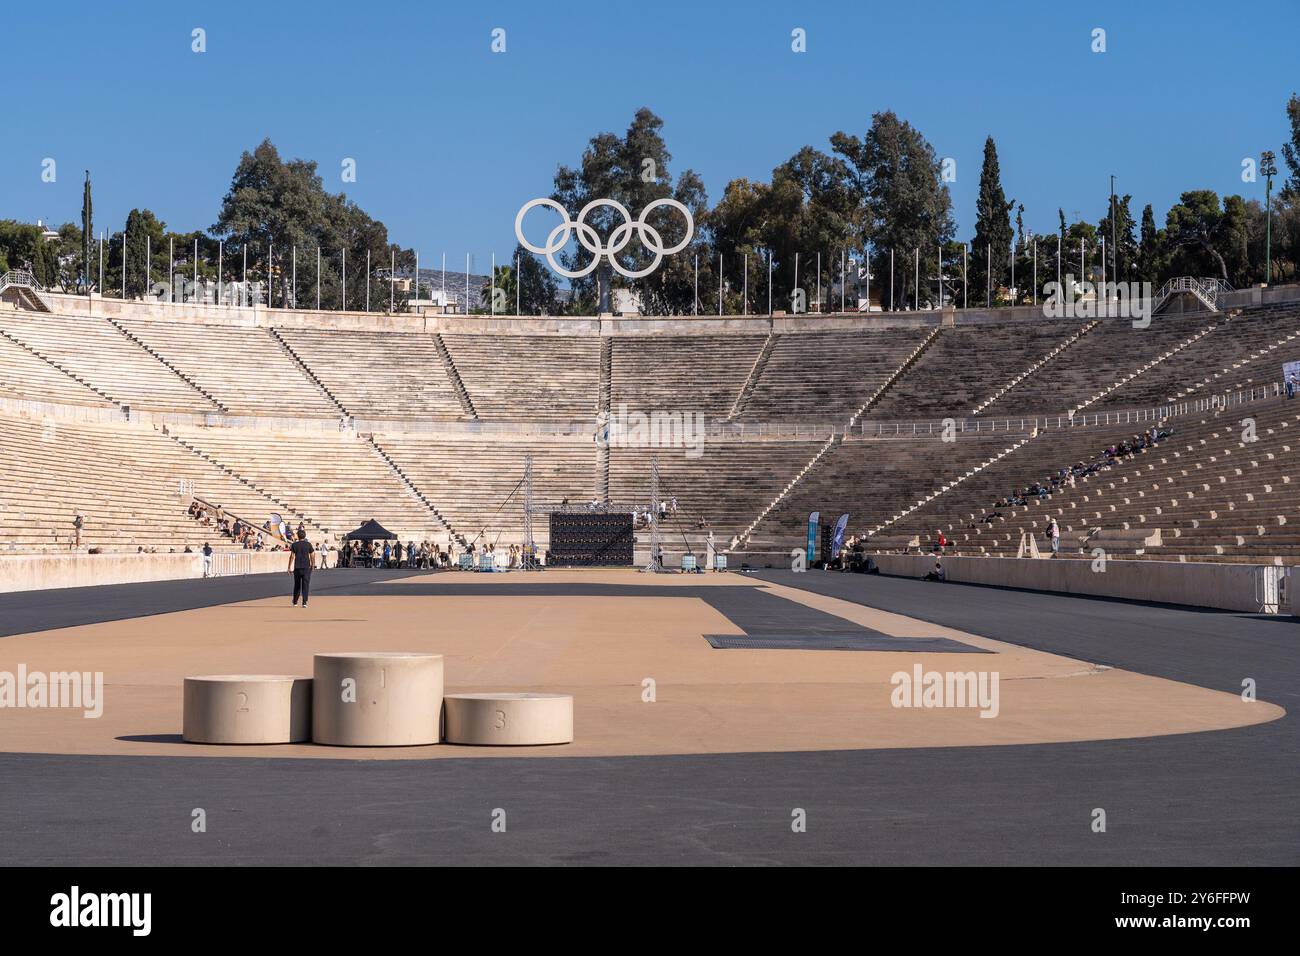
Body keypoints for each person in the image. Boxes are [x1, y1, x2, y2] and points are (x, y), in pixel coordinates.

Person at [288, 529, 315, 607]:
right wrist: (313, 565)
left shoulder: (294, 545)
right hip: (306, 567)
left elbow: (292, 556)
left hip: (297, 567)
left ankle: (295, 601)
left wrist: (289, 567)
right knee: (305, 585)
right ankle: (304, 602)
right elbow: (312, 555)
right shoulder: (308, 544)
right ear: (305, 536)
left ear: (298, 536)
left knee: (297, 585)